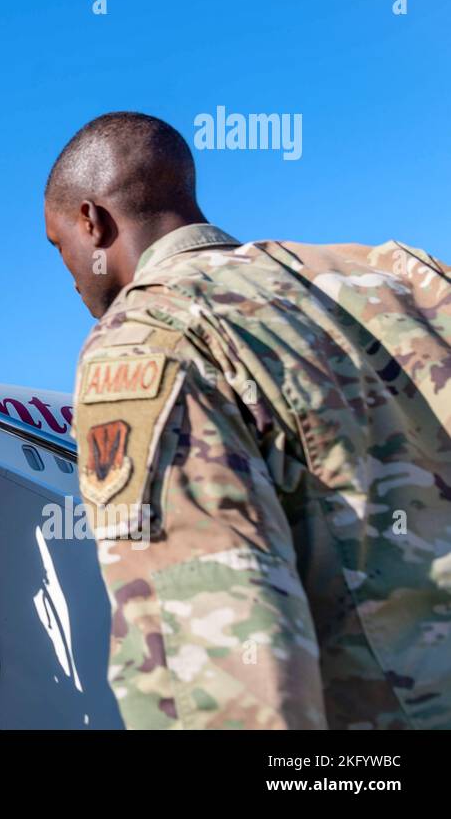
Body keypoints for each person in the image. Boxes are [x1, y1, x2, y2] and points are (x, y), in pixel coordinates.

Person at [44, 110, 451, 730]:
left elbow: (223, 668)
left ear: (91, 221)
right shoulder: (402, 277)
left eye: (59, 246)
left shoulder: (146, 336)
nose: (70, 275)